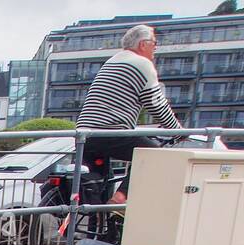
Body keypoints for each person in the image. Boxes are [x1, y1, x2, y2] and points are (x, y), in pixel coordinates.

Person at [76, 24, 181, 204]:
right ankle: (120, 198)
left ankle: (96, 226)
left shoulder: (113, 61)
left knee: (95, 188)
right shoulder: (142, 64)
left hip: (86, 134)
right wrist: (177, 131)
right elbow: (156, 104)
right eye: (154, 43)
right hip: (111, 132)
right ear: (143, 44)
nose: (155, 47)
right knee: (155, 157)